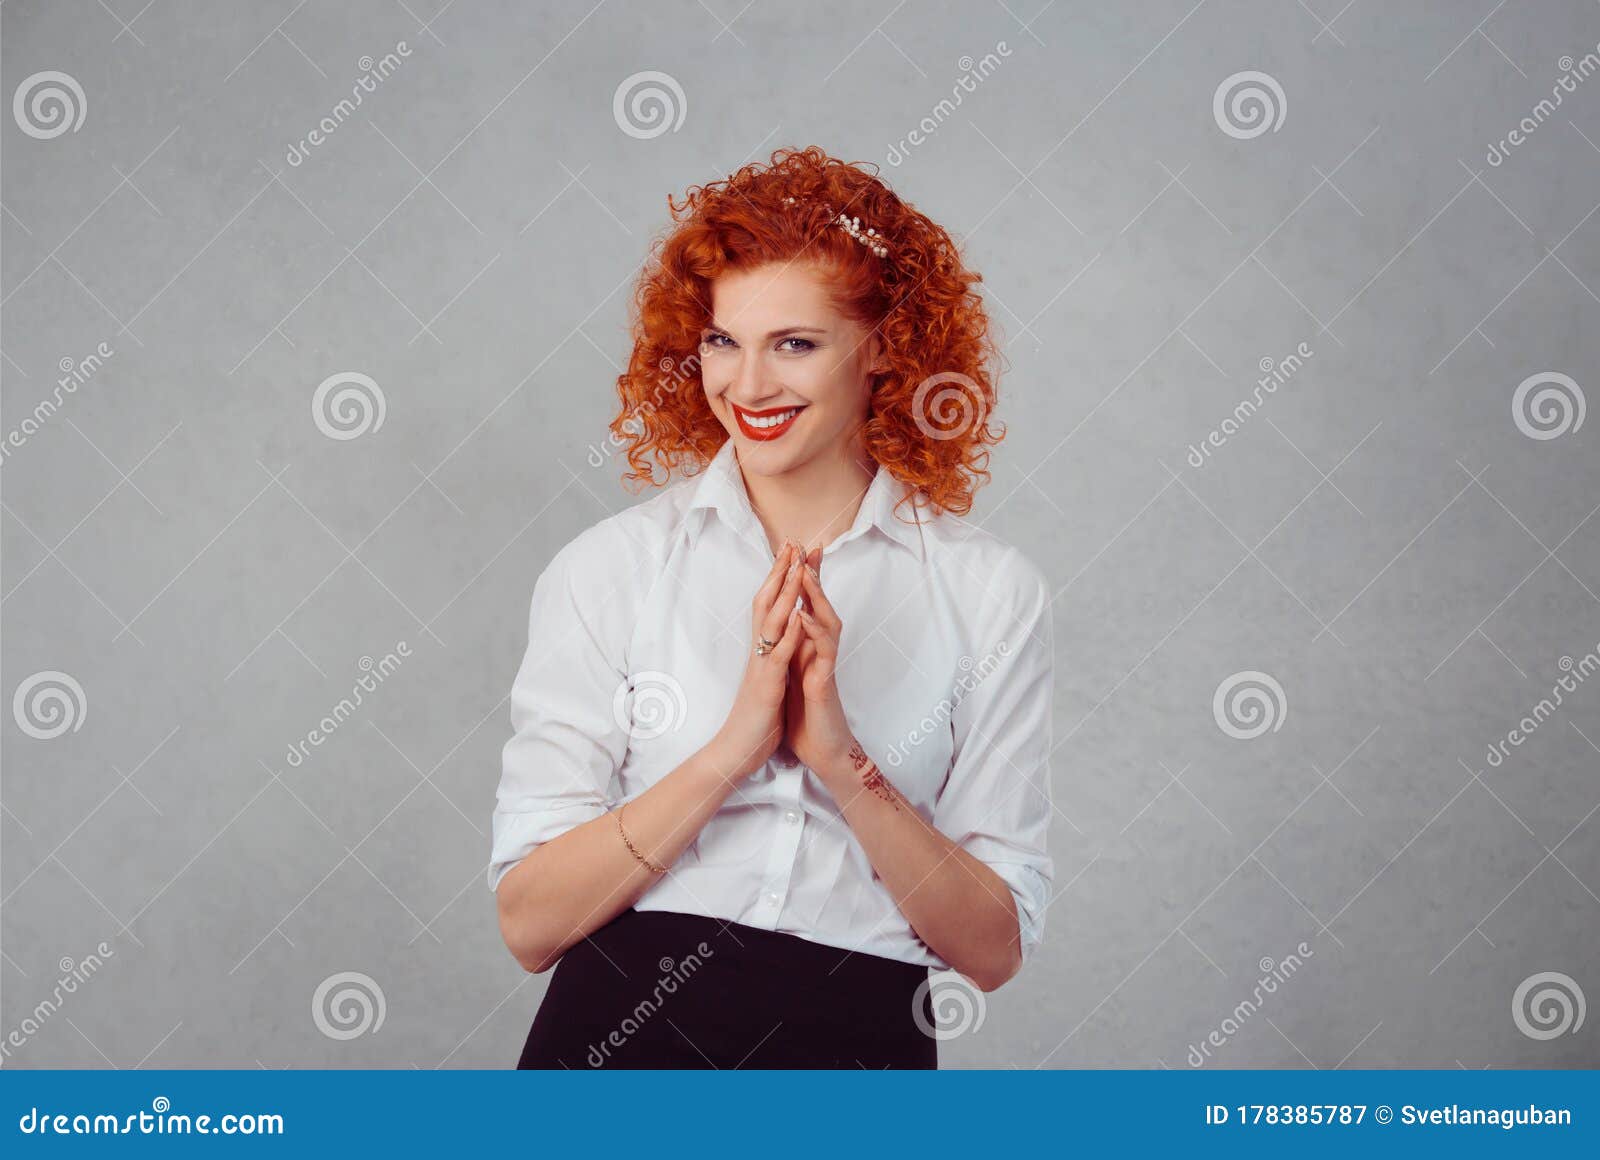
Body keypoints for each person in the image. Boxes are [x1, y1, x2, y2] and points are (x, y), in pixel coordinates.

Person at [489, 146, 1055, 1069]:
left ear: (884, 347)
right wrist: (733, 750)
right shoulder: (610, 568)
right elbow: (528, 924)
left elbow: (992, 951)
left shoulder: (989, 592)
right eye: (724, 341)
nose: (747, 386)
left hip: (859, 1053)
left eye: (795, 343)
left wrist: (840, 760)